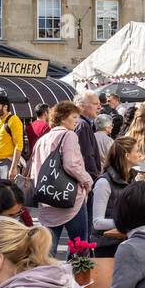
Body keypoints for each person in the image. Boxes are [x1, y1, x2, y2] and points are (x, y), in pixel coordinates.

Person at [29, 100, 94, 255]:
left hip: (48, 200)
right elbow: (71, 164)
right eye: (74, 117)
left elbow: (34, 170)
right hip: (70, 199)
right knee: (79, 249)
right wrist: (87, 181)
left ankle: (46, 278)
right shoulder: (69, 135)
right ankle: (76, 279)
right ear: (63, 118)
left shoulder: (42, 140)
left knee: (47, 250)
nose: (77, 121)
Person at [91, 137, 144, 256]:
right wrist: (126, 223)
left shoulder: (132, 178)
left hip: (127, 240)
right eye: (137, 151)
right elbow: (97, 223)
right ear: (127, 155)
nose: (141, 154)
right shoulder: (103, 183)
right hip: (108, 245)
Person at [0, 96, 24, 181]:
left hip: (8, 163)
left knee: (8, 192)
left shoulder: (13, 120)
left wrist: (14, 167)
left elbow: (19, 145)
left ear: (5, 107)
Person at [74, 90, 104, 186]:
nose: (99, 107)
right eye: (95, 104)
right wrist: (93, 180)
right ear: (81, 106)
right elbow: (86, 156)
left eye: (99, 104)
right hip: (86, 182)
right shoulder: (82, 125)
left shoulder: (82, 123)